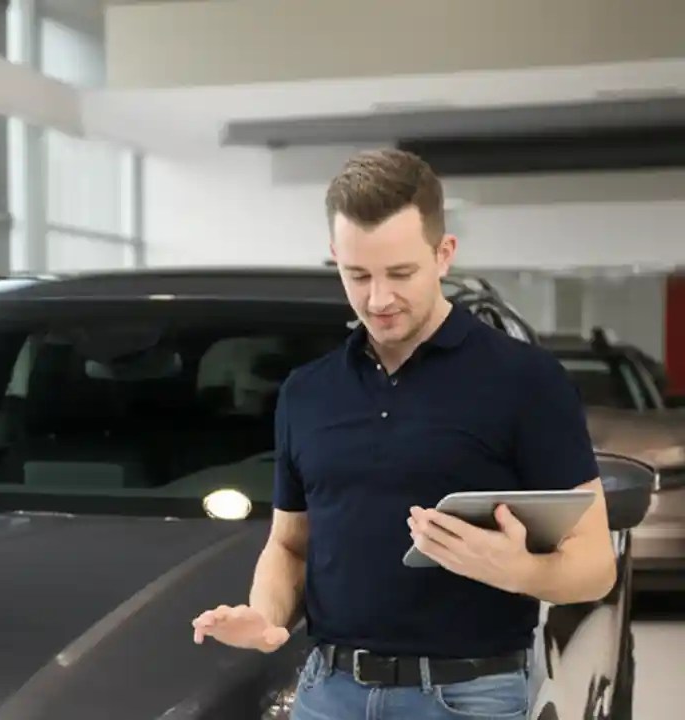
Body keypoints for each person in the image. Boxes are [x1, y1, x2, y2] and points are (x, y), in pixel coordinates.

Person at [190, 148, 616, 719]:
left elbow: (594, 565)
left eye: (400, 273)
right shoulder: (306, 393)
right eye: (358, 275)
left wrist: (518, 571)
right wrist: (266, 619)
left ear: (444, 255)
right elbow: (290, 544)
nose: (379, 299)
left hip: (466, 699)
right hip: (326, 694)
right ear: (335, 259)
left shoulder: (525, 381)